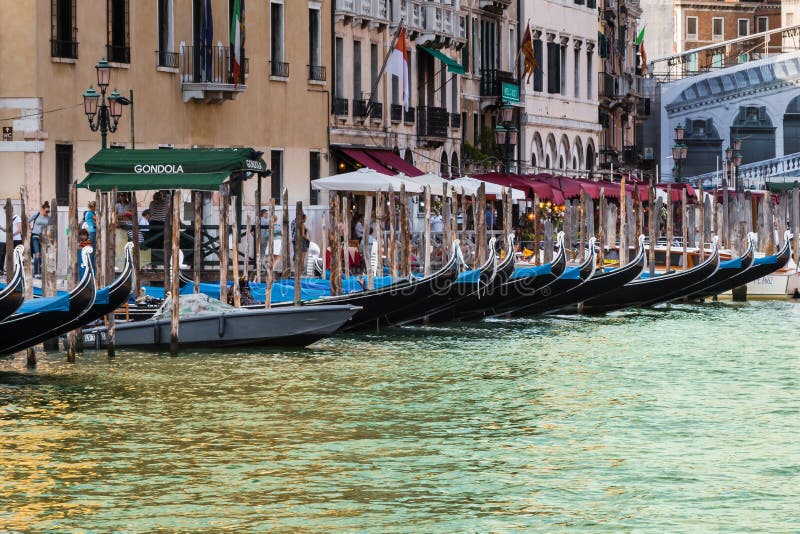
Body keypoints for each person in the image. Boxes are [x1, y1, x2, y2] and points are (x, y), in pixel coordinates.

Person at [29, 201, 51, 278]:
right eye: (46, 211)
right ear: (42, 209)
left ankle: (41, 272)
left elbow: (50, 228)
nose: (47, 212)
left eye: (48, 211)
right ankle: (35, 272)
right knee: (37, 254)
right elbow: (28, 221)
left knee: (42, 255)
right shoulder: (37, 214)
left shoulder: (48, 217)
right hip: (35, 236)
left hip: (43, 238)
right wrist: (30, 229)